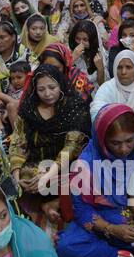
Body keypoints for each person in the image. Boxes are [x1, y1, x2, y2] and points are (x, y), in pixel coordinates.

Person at [55, 104, 134, 257]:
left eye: (129, 140)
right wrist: (112, 229)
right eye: (115, 143)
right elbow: (82, 209)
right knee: (67, 250)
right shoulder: (86, 163)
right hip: (103, 220)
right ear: (102, 139)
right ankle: (127, 255)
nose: (124, 149)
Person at [7, 62, 92, 215]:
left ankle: (54, 204)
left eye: (52, 87)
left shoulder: (73, 107)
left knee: (82, 176)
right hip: (36, 163)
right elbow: (18, 142)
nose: (47, 93)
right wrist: (17, 177)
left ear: (60, 84)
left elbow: (72, 147)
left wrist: (48, 174)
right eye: (41, 89)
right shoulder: (29, 109)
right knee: (25, 177)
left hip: (66, 165)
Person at [91, 48, 134, 126]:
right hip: (115, 129)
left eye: (128, 67)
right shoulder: (108, 86)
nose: (123, 72)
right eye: (119, 67)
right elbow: (96, 110)